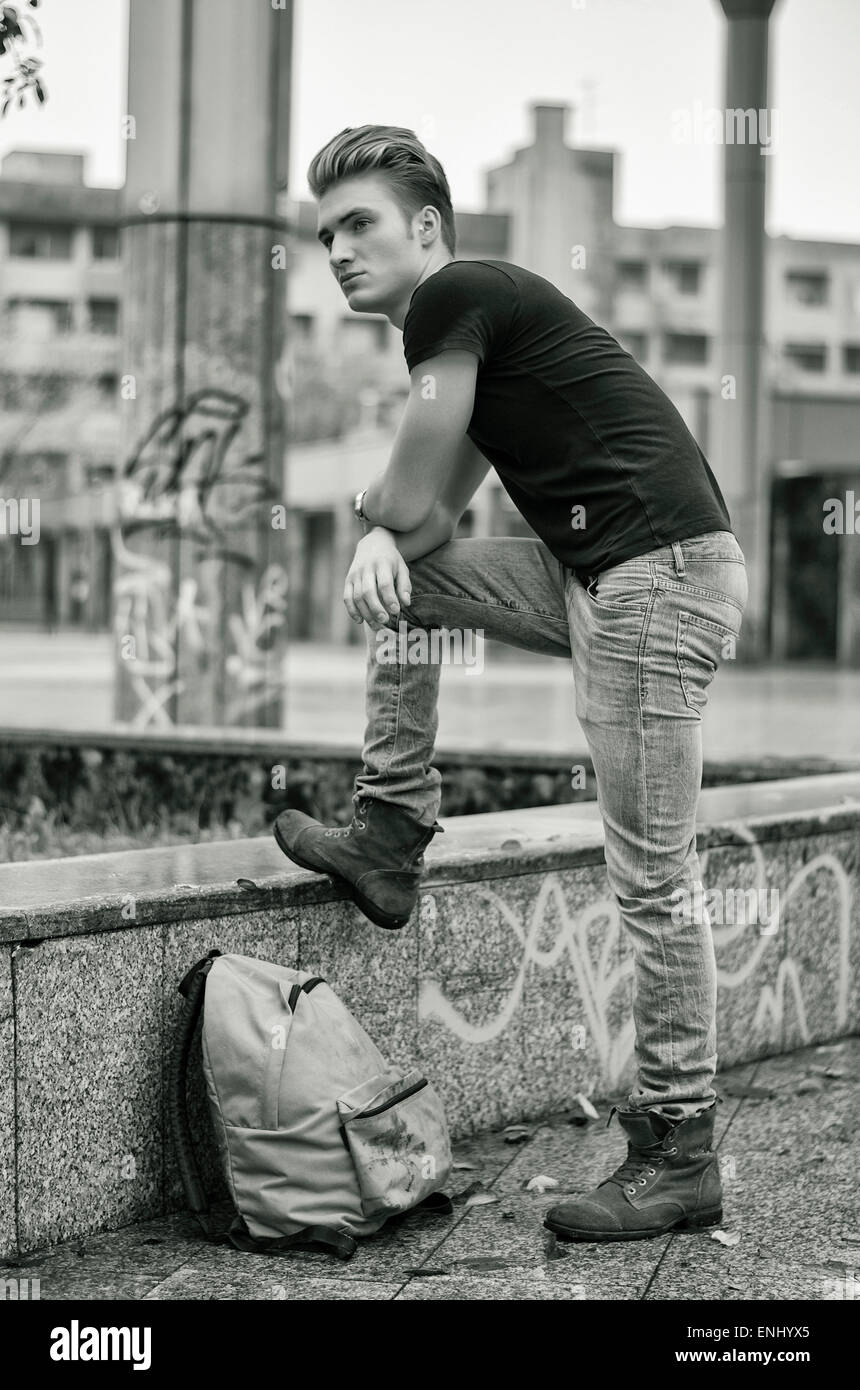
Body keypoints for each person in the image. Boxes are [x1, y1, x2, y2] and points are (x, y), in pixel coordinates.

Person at [273, 125, 748, 1243]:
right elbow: (434, 510)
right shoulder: (476, 337)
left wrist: (369, 524)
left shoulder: (453, 298)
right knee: (413, 579)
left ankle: (678, 1152)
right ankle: (390, 830)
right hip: (606, 569)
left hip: (652, 578)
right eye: (324, 232)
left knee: (649, 877)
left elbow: (409, 473)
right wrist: (390, 537)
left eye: (359, 225)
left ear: (426, 229)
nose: (336, 249)